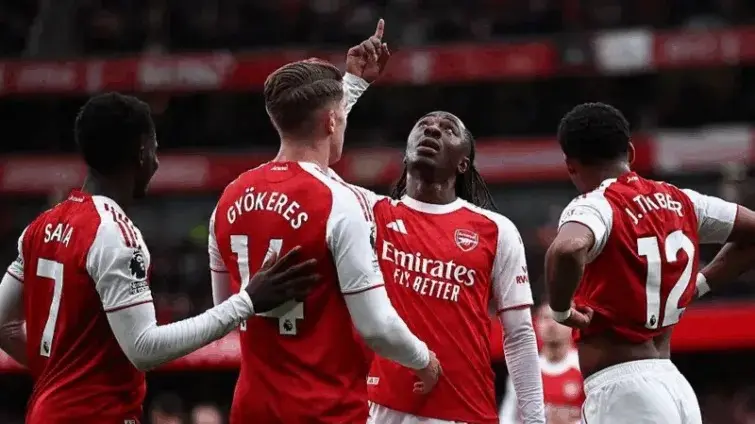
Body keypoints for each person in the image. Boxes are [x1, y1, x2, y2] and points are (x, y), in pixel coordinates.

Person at [0, 93, 318, 424]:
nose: (156, 162)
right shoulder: (114, 233)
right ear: (141, 153)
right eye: (155, 149)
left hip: (44, 413)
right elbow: (144, 348)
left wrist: (61, 375)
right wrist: (247, 301)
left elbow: (3, 324)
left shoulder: (41, 226)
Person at [208, 20, 441, 424]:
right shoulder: (341, 202)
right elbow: (377, 327)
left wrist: (353, 84)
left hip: (252, 409)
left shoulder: (227, 199)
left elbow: (223, 311)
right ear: (332, 121)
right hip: (327, 411)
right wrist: (424, 360)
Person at [339, 65, 544, 422]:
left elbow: (520, 336)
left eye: (448, 129)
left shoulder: (496, 230)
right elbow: (310, 160)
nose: (432, 129)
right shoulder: (371, 213)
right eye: (423, 125)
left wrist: (534, 421)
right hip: (382, 409)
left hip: (465, 411)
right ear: (405, 155)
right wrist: (352, 85)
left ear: (463, 163)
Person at [544, 102, 755, 424]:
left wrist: (560, 310)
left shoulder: (595, 205)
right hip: (673, 384)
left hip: (624, 391)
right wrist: (700, 284)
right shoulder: (683, 200)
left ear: (570, 166)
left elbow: (567, 248)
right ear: (629, 152)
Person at [500, 304, 584, 424]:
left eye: (558, 318)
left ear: (572, 325)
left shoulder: (584, 367)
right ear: (536, 324)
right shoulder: (523, 371)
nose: (552, 324)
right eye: (546, 318)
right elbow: (507, 417)